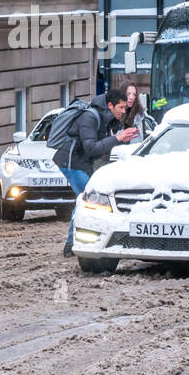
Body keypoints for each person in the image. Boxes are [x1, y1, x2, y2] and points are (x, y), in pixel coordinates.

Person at [53, 89, 139, 257]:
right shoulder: (90, 117)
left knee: (85, 200)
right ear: (109, 105)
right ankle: (72, 244)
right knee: (87, 200)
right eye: (121, 107)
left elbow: (102, 148)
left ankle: (72, 243)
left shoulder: (107, 118)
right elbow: (91, 148)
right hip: (71, 162)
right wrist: (118, 138)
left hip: (82, 163)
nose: (124, 111)